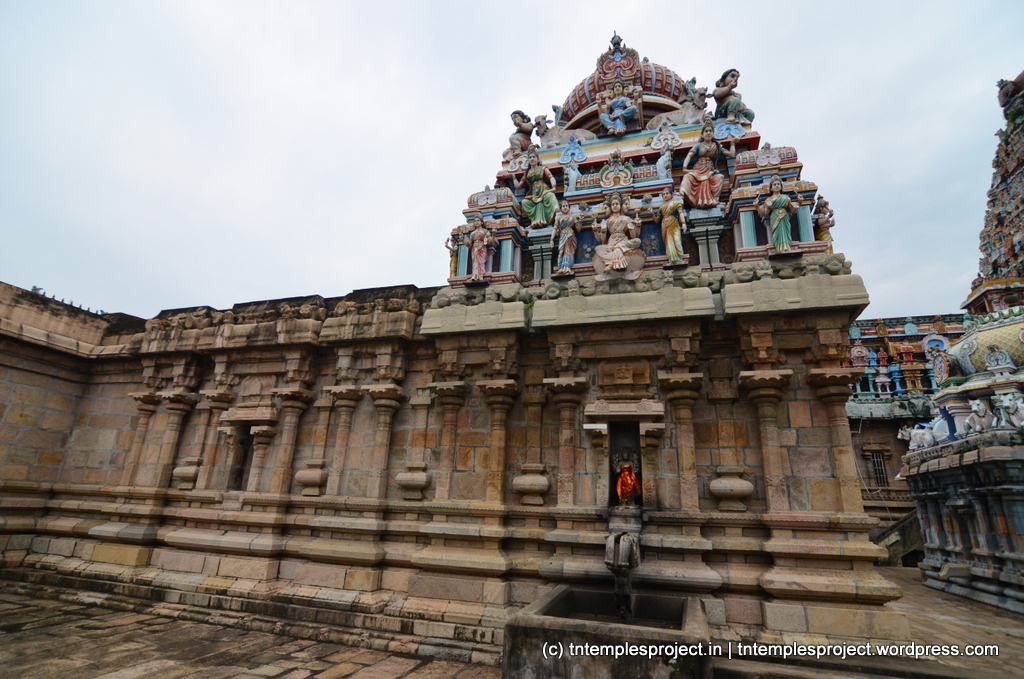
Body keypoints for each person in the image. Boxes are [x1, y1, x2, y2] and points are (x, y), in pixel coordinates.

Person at [680, 123, 737, 208]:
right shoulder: (698, 145)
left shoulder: (717, 146)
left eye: (710, 131)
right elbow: (689, 156)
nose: (708, 133)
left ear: (713, 133)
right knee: (688, 176)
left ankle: (715, 200)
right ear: (702, 135)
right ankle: (682, 192)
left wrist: (732, 143)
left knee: (720, 177)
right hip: (698, 169)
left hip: (710, 171)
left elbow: (731, 154)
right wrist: (684, 168)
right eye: (706, 131)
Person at [594, 192, 643, 278]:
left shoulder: (626, 219)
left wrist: (632, 227)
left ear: (620, 206)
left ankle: (610, 263)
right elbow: (602, 240)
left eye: (617, 204)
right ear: (610, 207)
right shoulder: (607, 221)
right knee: (598, 248)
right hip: (611, 243)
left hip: (623, 240)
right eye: (613, 204)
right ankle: (613, 260)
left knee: (637, 241)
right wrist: (603, 230)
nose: (615, 206)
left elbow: (634, 237)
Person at [513, 146, 558, 228]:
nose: (532, 159)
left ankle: (556, 210)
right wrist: (513, 177)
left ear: (537, 159)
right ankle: (535, 220)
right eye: (530, 157)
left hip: (544, 190)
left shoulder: (543, 168)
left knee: (550, 195)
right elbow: (518, 186)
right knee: (524, 202)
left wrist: (553, 187)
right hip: (534, 194)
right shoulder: (527, 173)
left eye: (534, 157)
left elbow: (551, 177)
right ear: (528, 160)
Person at [755, 173, 800, 253]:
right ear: (771, 188)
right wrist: (757, 206)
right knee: (777, 233)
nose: (776, 186)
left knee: (785, 231)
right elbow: (765, 213)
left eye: (778, 184)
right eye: (774, 184)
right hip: (774, 216)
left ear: (781, 186)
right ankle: (779, 247)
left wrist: (800, 201)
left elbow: (792, 209)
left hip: (784, 216)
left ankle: (786, 247)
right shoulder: (769, 199)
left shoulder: (785, 198)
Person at [658, 187, 686, 265]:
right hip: (665, 225)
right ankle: (672, 260)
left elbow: (680, 213)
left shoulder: (676, 203)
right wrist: (652, 213)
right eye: (663, 194)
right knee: (668, 242)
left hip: (674, 223)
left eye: (667, 193)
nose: (665, 195)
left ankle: (679, 258)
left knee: (677, 240)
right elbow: (657, 220)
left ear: (672, 194)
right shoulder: (661, 207)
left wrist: (683, 223)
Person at [550, 200, 579, 276]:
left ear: (569, 208)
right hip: (562, 236)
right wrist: (552, 239)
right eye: (563, 206)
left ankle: (567, 267)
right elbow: (555, 229)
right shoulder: (558, 219)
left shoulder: (572, 218)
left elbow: (578, 229)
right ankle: (561, 267)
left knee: (568, 250)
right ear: (560, 208)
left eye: (567, 206)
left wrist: (580, 220)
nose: (565, 207)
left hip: (570, 236)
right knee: (561, 251)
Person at [462, 213, 494, 281]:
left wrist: (493, 235)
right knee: (475, 262)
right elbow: (470, 243)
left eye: (478, 221)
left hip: (482, 247)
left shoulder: (485, 231)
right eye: (475, 221)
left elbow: (489, 240)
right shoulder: (472, 233)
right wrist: (464, 239)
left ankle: (480, 275)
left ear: (482, 222)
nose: (476, 222)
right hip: (475, 248)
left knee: (481, 261)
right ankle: (475, 275)